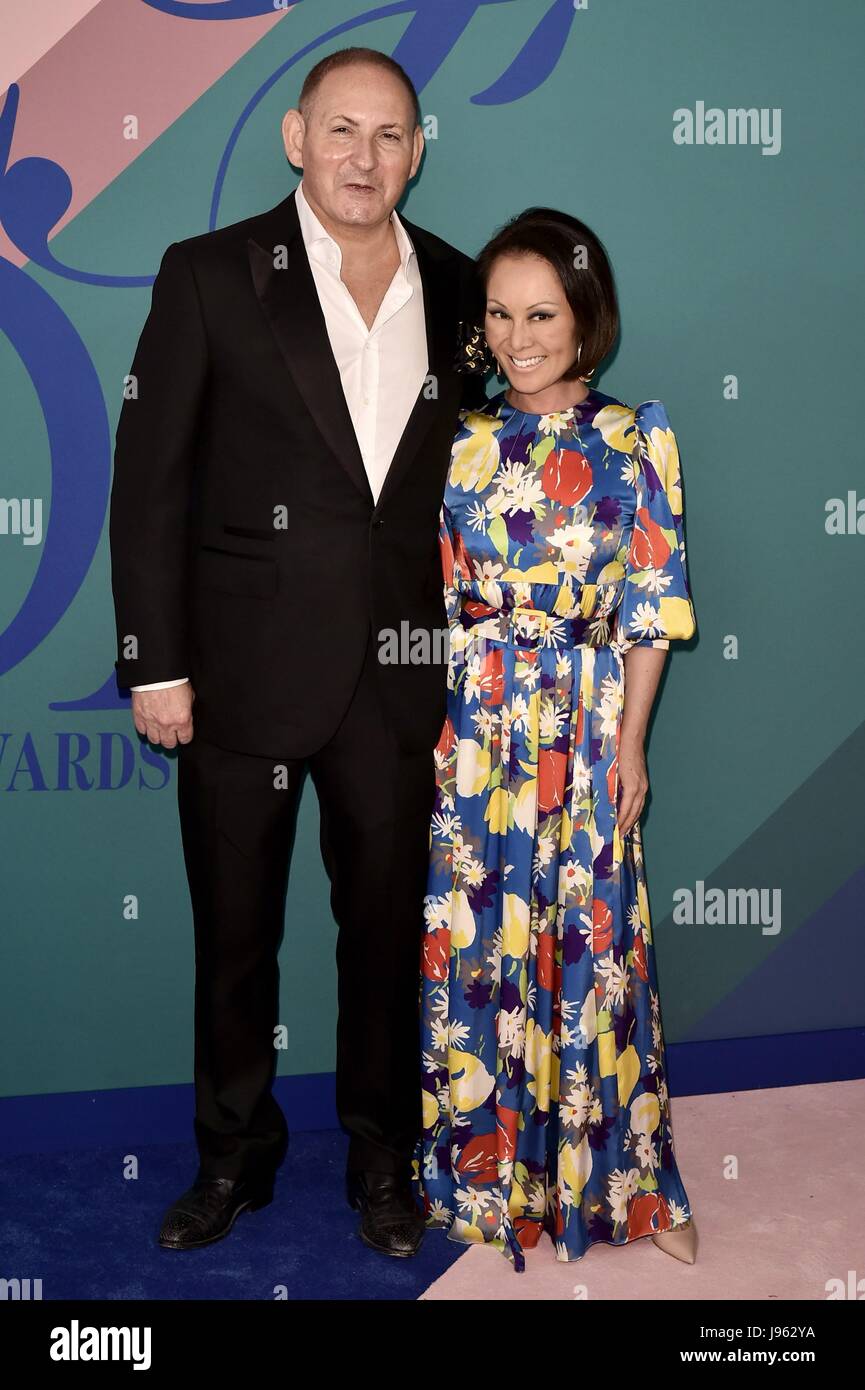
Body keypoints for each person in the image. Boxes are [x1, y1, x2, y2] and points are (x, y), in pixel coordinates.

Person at [109, 46, 484, 1257]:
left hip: (399, 678)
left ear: (417, 151)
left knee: (385, 937)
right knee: (234, 937)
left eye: (389, 136)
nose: (364, 157)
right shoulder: (212, 275)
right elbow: (149, 482)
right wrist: (152, 662)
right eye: (342, 131)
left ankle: (385, 1160)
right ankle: (234, 1160)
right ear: (293, 136)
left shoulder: (463, 286)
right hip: (235, 677)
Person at [415, 207, 699, 1271]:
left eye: (541, 313)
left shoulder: (637, 439)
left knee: (598, 955)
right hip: (479, 729)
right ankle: (481, 1182)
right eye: (498, 313)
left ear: (587, 319)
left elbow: (651, 608)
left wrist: (629, 744)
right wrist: (445, 733)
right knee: (478, 949)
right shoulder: (460, 441)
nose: (517, 336)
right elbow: (439, 602)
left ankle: (626, 1186)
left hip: (583, 728)